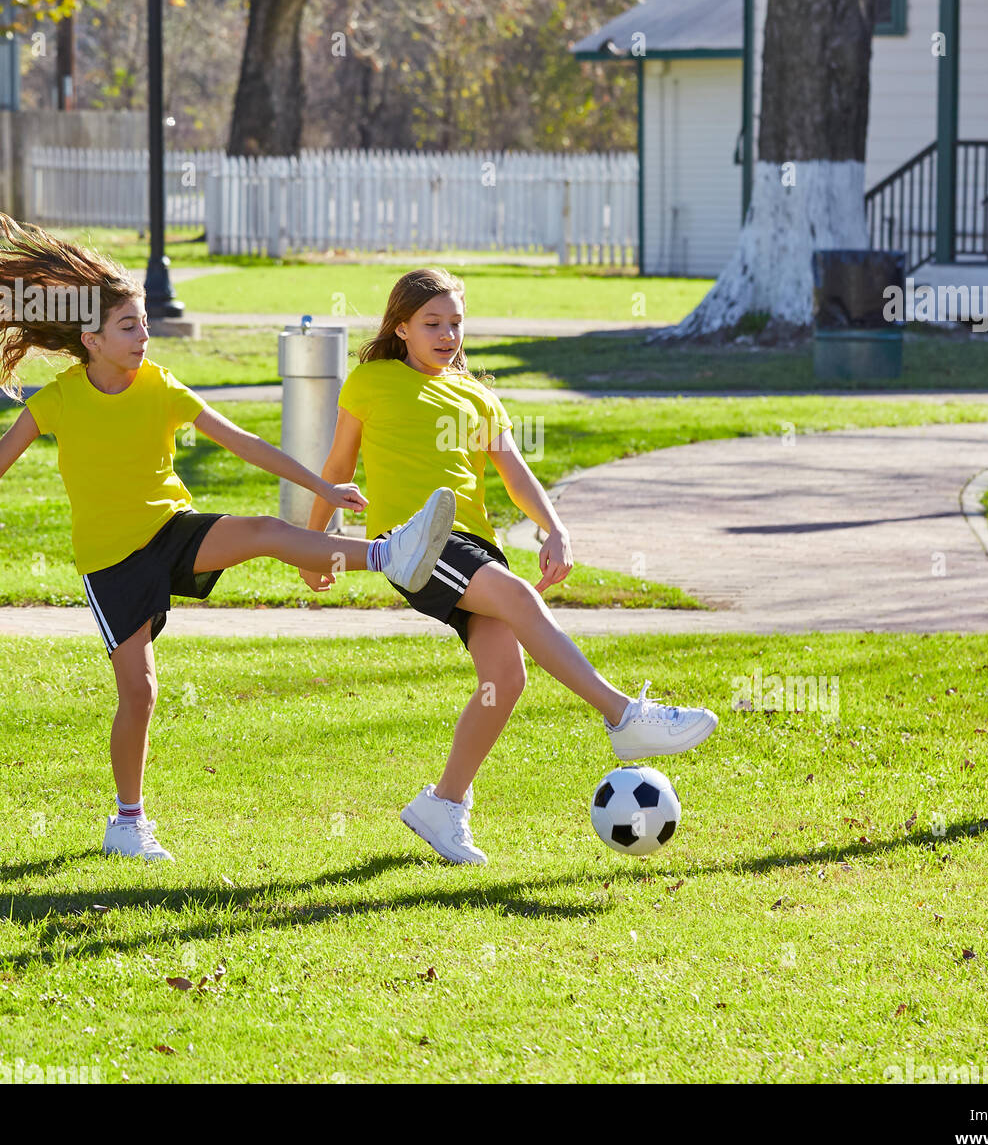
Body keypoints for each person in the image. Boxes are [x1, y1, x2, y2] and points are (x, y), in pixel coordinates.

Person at [0, 208, 455, 863]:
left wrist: (322, 488)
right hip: (112, 562)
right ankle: (127, 821)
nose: (144, 334)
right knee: (140, 691)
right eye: (129, 325)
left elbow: (245, 442)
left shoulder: (159, 385)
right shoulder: (58, 400)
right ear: (92, 338)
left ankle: (386, 552)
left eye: (144, 321)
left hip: (170, 531)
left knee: (262, 528)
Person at [300, 267, 718, 865]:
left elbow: (514, 472)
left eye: (455, 323)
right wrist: (314, 548)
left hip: (472, 543)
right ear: (401, 327)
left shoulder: (476, 394)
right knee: (523, 600)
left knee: (505, 679)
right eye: (432, 323)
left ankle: (442, 805)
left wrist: (554, 526)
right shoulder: (371, 381)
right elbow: (336, 464)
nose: (447, 335)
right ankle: (623, 714)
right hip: (412, 544)